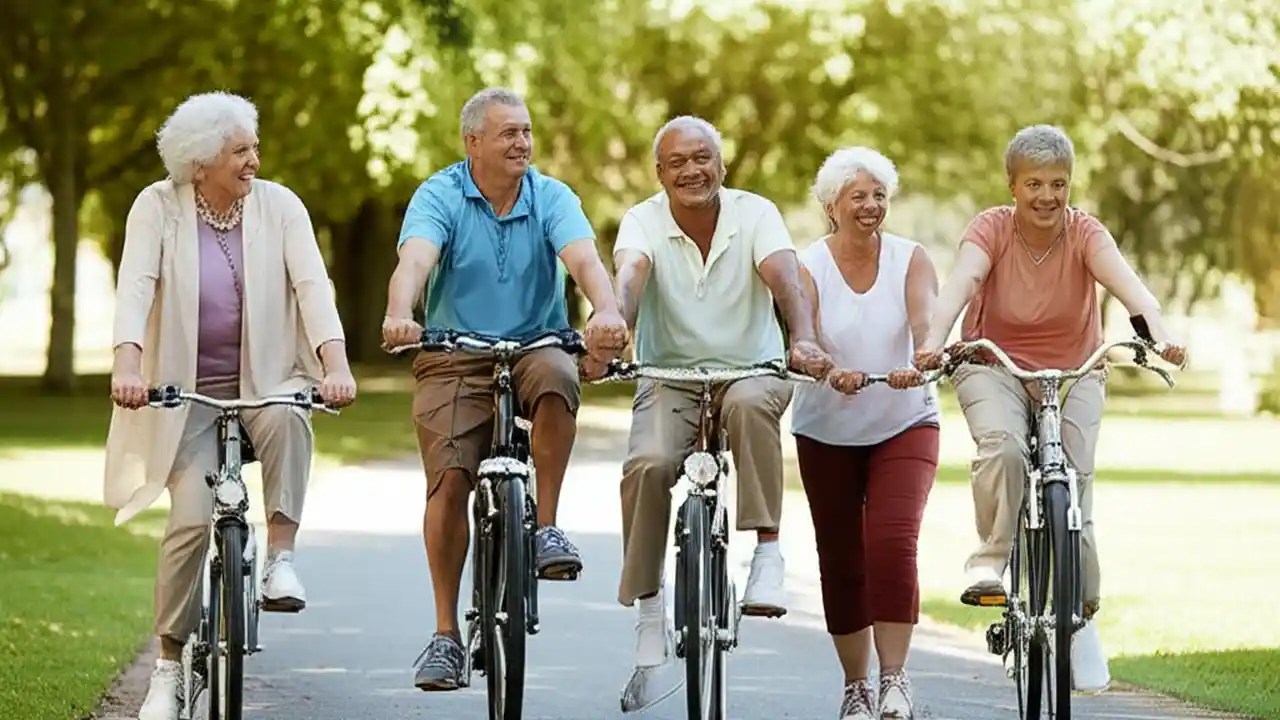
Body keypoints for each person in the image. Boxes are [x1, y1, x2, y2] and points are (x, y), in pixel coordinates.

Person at [105, 91, 358, 720]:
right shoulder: (157, 209)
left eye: (253, 146)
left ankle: (280, 561)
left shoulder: (280, 207)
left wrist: (335, 365)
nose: (254, 159)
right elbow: (136, 287)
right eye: (240, 150)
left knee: (290, 418)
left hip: (265, 380)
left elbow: (312, 288)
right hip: (184, 394)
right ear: (199, 163)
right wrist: (128, 365)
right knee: (190, 520)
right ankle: (167, 670)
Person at [915, 124, 1187, 693]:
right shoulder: (990, 229)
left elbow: (1133, 290)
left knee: (1076, 483)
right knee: (1005, 447)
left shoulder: (1085, 232)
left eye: (1058, 184)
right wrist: (935, 339)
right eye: (1033, 183)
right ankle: (990, 560)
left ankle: (1079, 614)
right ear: (1011, 185)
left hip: (1075, 370)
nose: (1046, 196)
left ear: (1070, 185)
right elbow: (961, 282)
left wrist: (1159, 334)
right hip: (996, 366)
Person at [380, 86, 629, 691]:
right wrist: (398, 311)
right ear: (473, 142)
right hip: (453, 352)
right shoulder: (440, 194)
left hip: (535, 342)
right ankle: (445, 636)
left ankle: (545, 525)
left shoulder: (551, 196)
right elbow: (415, 261)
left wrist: (607, 309)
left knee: (557, 374)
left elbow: (584, 261)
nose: (522, 142)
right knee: (448, 480)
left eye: (526, 131)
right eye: (508, 133)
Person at [599, 115, 834, 711]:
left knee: (755, 405)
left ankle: (768, 553)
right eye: (677, 162)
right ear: (660, 173)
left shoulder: (755, 213)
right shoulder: (642, 221)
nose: (691, 171)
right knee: (649, 464)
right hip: (668, 373)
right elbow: (630, 276)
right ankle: (650, 616)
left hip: (749, 368)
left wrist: (801, 337)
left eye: (702, 158)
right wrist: (616, 330)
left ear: (721, 164)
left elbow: (785, 281)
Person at [790, 147, 940, 719]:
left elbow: (925, 319)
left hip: (904, 421)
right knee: (842, 556)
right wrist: (827, 367)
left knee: (892, 543)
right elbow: (800, 336)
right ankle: (856, 685)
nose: (872, 205)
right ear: (832, 206)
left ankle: (896, 679)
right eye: (859, 196)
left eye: (879, 195)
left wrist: (923, 357)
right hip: (825, 427)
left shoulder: (911, 258)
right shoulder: (809, 263)